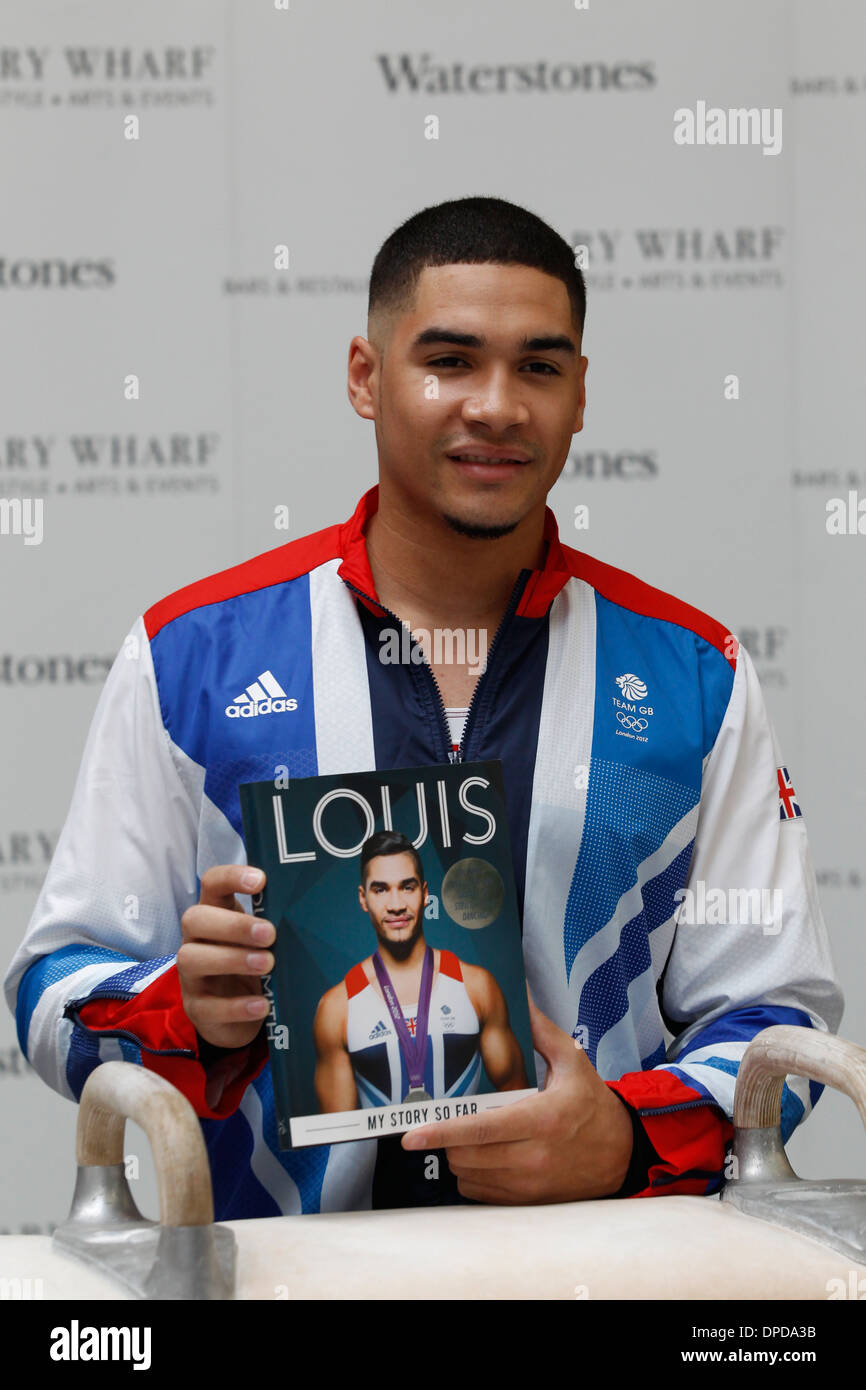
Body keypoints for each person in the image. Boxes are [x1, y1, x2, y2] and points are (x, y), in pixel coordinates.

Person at [5, 196, 842, 1217]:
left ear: (580, 394)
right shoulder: (192, 656)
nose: (494, 406)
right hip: (282, 1287)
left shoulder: (690, 672)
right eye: (448, 360)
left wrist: (621, 1139)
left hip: (605, 1279)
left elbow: (775, 1018)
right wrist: (180, 1007)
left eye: (538, 366)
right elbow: (48, 992)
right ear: (365, 377)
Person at [313, 830, 528, 1113]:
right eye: (380, 889)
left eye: (407, 887)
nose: (396, 905)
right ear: (363, 898)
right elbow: (339, 1141)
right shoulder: (337, 1008)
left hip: (471, 1155)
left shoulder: (476, 986)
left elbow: (521, 1104)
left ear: (425, 894)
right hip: (384, 1158)